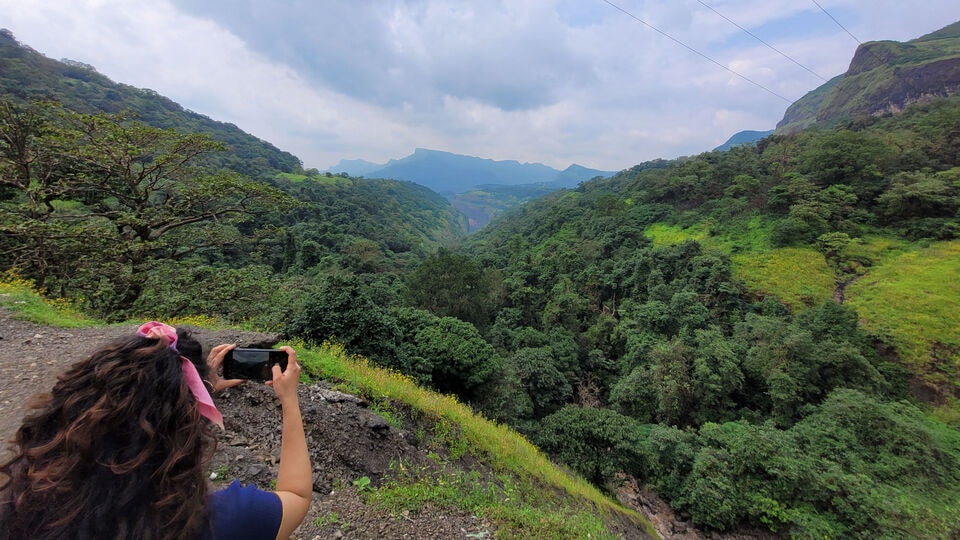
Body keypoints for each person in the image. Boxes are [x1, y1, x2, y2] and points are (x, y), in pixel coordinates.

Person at [0, 322, 311, 540]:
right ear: (182, 432)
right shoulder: (224, 521)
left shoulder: (22, 504)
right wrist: (289, 401)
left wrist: (193, 393)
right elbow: (295, 495)